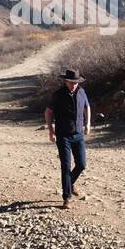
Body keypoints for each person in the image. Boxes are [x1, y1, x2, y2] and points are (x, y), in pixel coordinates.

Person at [45, 68, 91, 209]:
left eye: (76, 82)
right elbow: (48, 112)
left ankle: (70, 183)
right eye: (71, 82)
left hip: (78, 134)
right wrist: (51, 131)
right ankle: (67, 197)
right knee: (65, 167)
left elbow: (86, 107)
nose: (74, 85)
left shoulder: (82, 92)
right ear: (66, 81)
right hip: (63, 135)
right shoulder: (58, 95)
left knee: (81, 164)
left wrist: (87, 123)